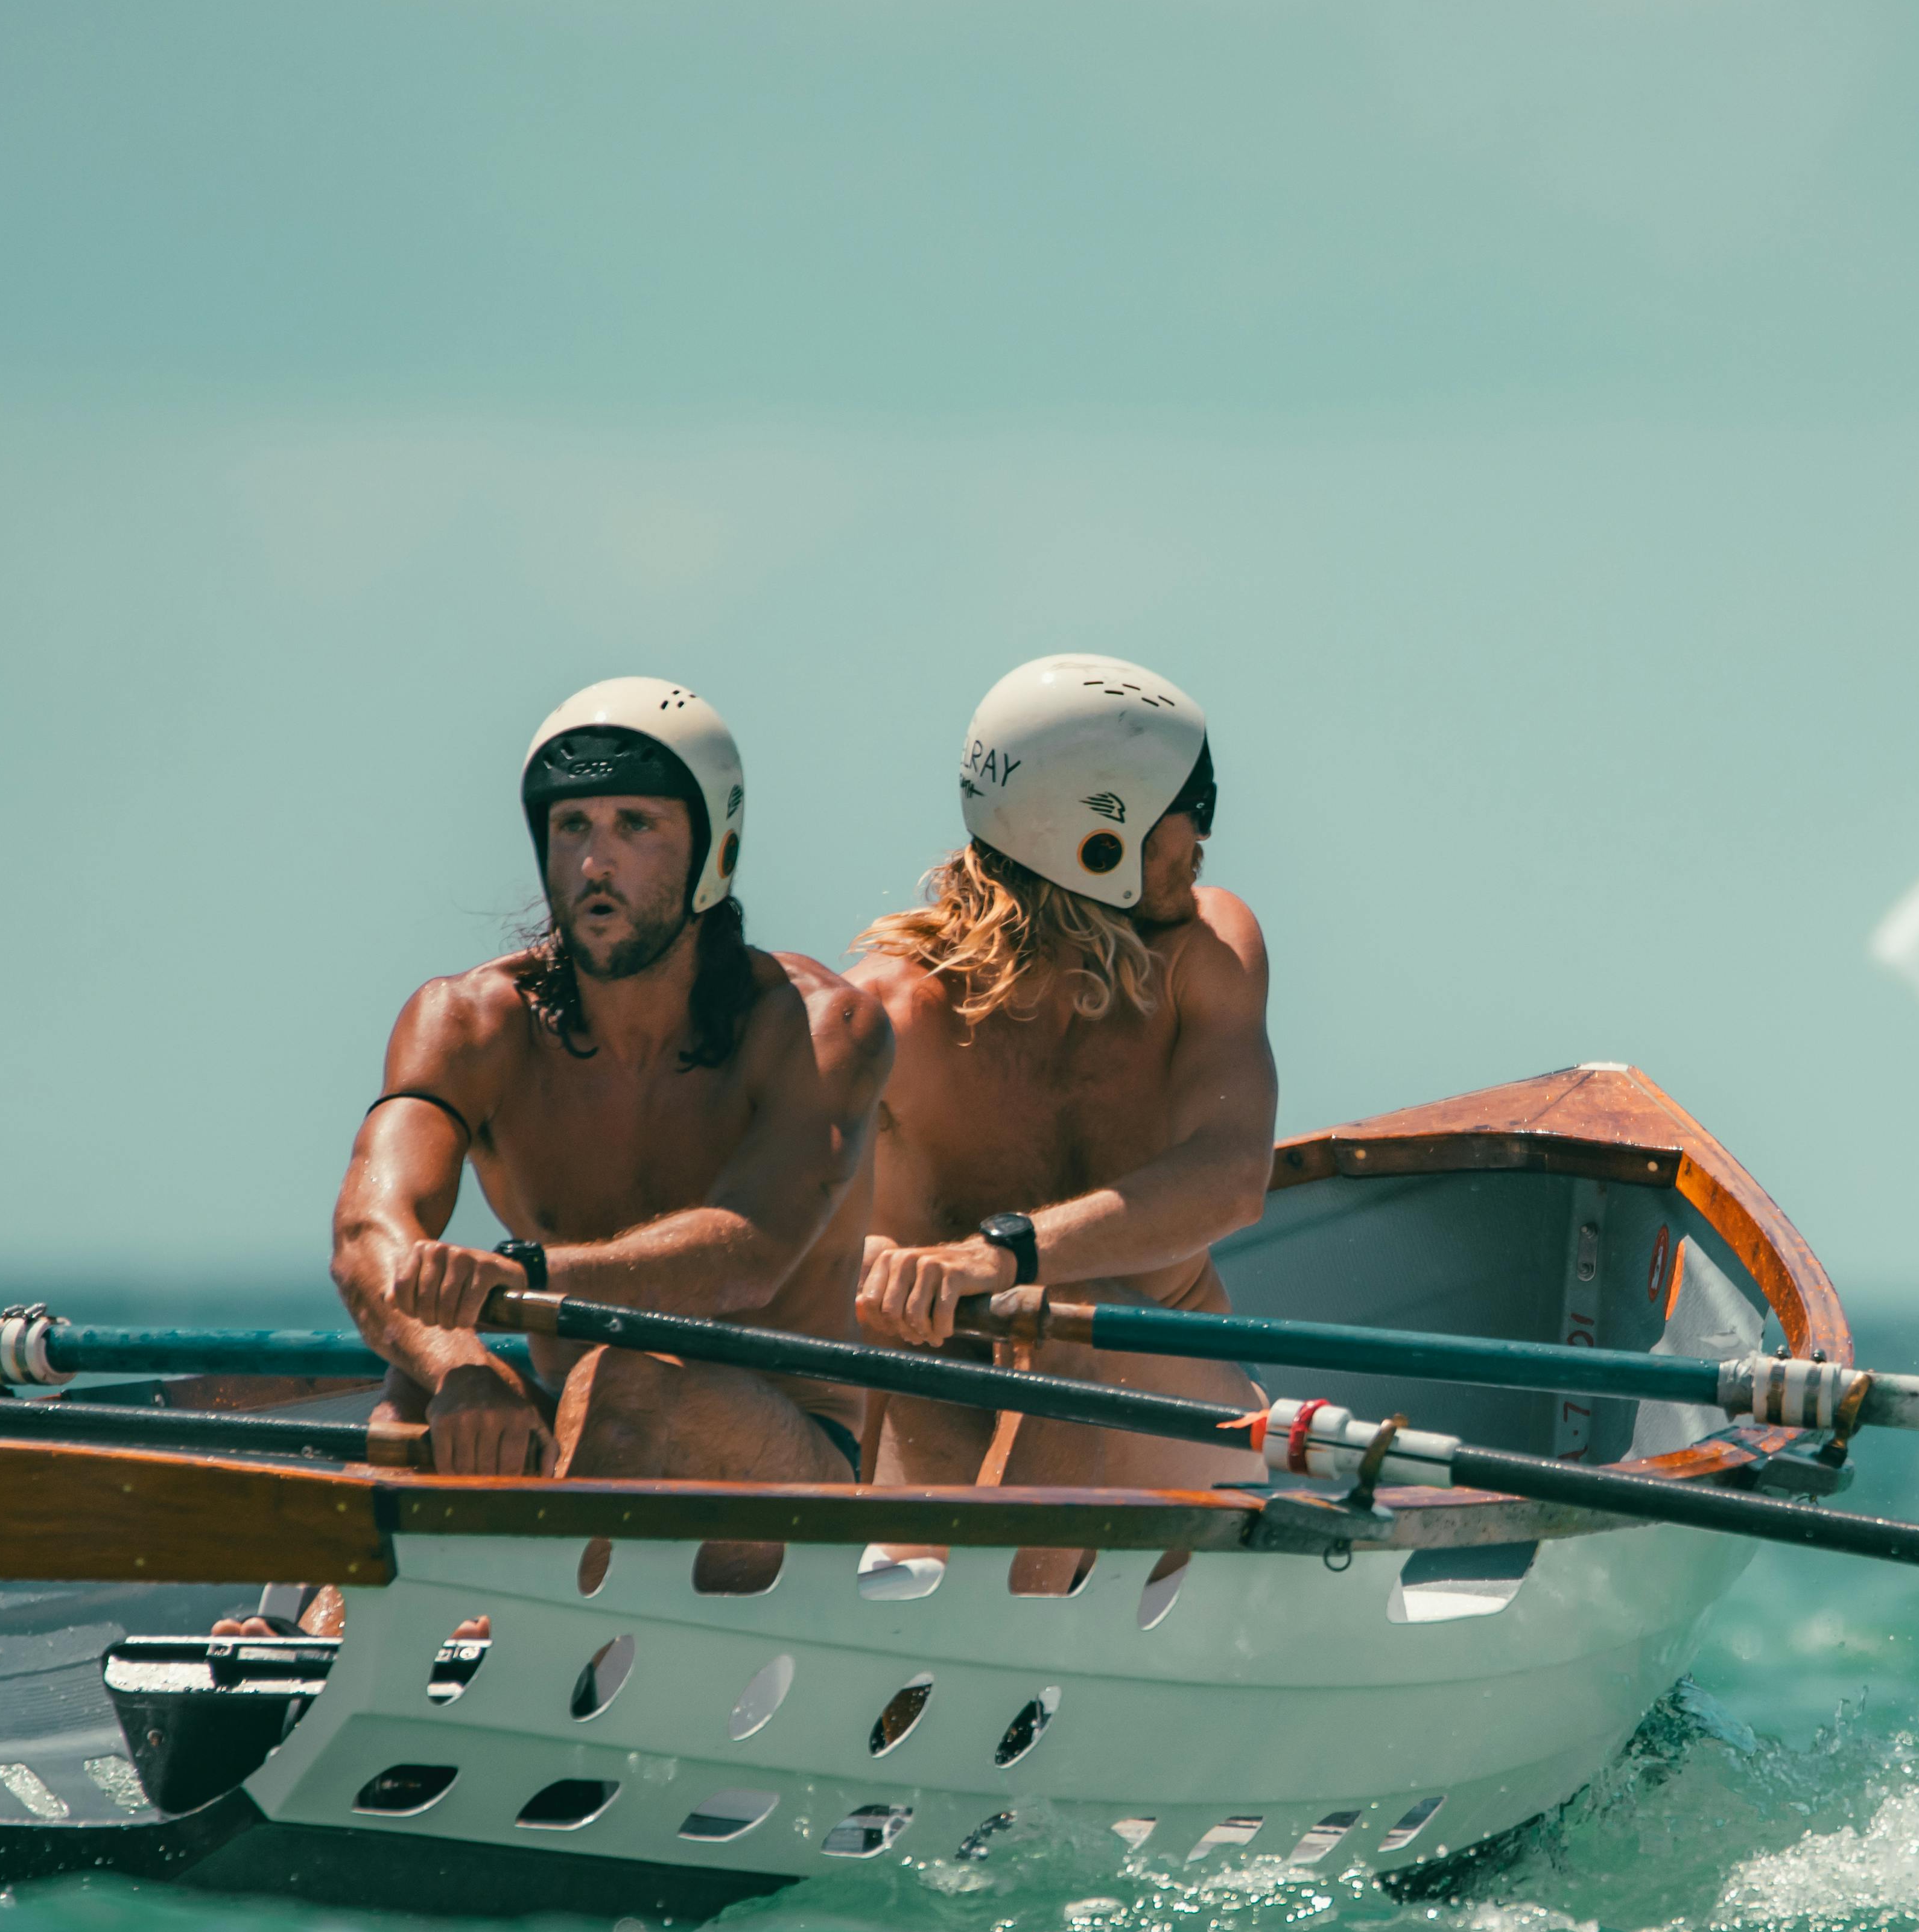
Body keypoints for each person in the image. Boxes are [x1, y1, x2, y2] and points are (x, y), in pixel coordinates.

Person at [335, 676, 890, 1490]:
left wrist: (525, 1280)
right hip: (579, 1435)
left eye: (637, 825)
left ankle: (510, 1603)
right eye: (571, 827)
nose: (595, 863)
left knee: (623, 1376)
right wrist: (462, 1366)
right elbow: (365, 1239)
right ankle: (321, 1618)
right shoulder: (467, 1022)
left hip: (786, 1463)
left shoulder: (817, 1029)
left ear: (715, 849)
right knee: (421, 1391)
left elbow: (749, 1253)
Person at [846, 655, 1277, 1584]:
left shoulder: (1205, 952)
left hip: (1173, 1454)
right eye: (1183, 807)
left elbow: (1233, 1175)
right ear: (1097, 833)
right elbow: (750, 1219)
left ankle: (987, 1660)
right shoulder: (888, 1017)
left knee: (1068, 1322)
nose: (1202, 837)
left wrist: (1001, 1255)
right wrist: (858, 1257)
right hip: (934, 1470)